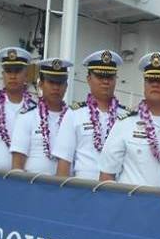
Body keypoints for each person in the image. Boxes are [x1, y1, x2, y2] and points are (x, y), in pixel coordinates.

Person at [98, 52, 160, 188]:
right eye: (150, 80)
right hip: (132, 205)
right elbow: (107, 174)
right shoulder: (125, 123)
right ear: (144, 84)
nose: (155, 85)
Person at [53, 50, 128, 179]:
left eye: (109, 77)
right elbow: (64, 163)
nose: (105, 82)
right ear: (89, 79)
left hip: (115, 190)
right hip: (82, 190)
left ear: (115, 80)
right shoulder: (74, 114)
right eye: (100, 76)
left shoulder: (126, 117)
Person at [10, 57, 72, 174]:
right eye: (51, 82)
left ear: (66, 86)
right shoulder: (26, 117)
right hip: (33, 186)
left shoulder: (73, 118)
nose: (56, 87)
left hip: (65, 187)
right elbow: (17, 164)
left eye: (60, 83)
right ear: (41, 84)